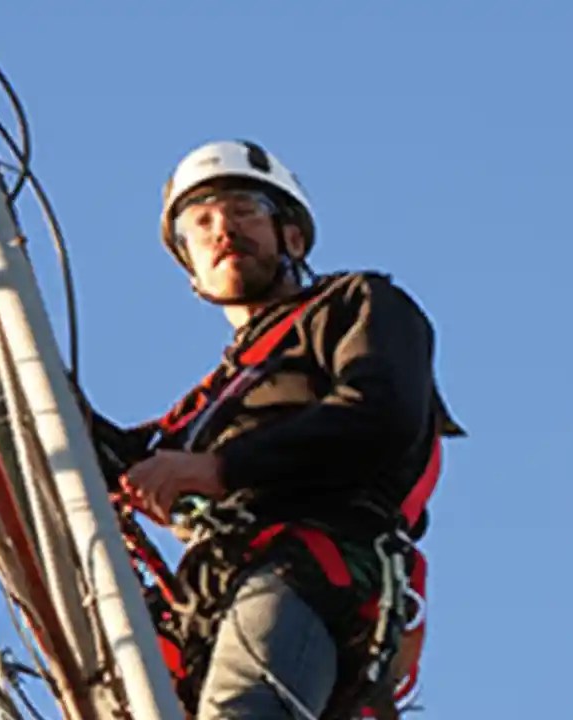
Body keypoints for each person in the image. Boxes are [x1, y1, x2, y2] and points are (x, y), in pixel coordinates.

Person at [94, 139, 462, 719]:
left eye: (244, 211)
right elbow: (109, 459)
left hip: (309, 570)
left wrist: (217, 470)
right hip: (208, 608)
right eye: (202, 223)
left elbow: (378, 413)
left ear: (291, 237)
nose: (223, 230)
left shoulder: (355, 306)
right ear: (192, 271)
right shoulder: (209, 407)